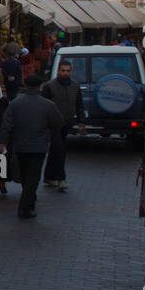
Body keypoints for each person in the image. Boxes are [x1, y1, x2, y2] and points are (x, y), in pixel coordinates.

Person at [0, 74, 65, 220]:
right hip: (38, 147)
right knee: (33, 177)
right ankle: (25, 208)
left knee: (24, 175)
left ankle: (29, 201)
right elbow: (58, 123)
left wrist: (2, 142)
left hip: (20, 146)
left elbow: (6, 124)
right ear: (40, 86)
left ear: (25, 85)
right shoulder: (48, 105)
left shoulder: (15, 103)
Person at [41, 58, 86, 191]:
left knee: (57, 150)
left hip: (67, 123)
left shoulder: (75, 86)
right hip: (53, 124)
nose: (65, 73)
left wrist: (81, 121)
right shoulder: (49, 86)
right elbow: (43, 106)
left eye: (68, 71)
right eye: (63, 71)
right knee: (60, 150)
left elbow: (79, 104)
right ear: (58, 71)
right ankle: (61, 178)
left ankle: (49, 176)